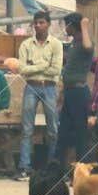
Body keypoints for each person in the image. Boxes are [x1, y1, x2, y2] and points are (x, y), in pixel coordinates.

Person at [16, 10, 62, 179]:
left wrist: (34, 66)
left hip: (50, 87)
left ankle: (52, 167)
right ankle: (24, 167)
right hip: (31, 87)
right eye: (36, 22)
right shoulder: (26, 45)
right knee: (27, 129)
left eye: (42, 22)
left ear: (48, 24)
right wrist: (44, 65)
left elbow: (56, 69)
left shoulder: (56, 44)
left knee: (53, 129)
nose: (38, 25)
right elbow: (23, 70)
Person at [59, 13, 95, 164]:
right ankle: (62, 168)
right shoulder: (73, 44)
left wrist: (84, 26)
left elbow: (88, 47)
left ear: (73, 26)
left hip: (79, 92)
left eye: (66, 24)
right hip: (69, 92)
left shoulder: (84, 43)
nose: (65, 28)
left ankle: (82, 169)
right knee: (64, 131)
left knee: (81, 133)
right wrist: (61, 95)